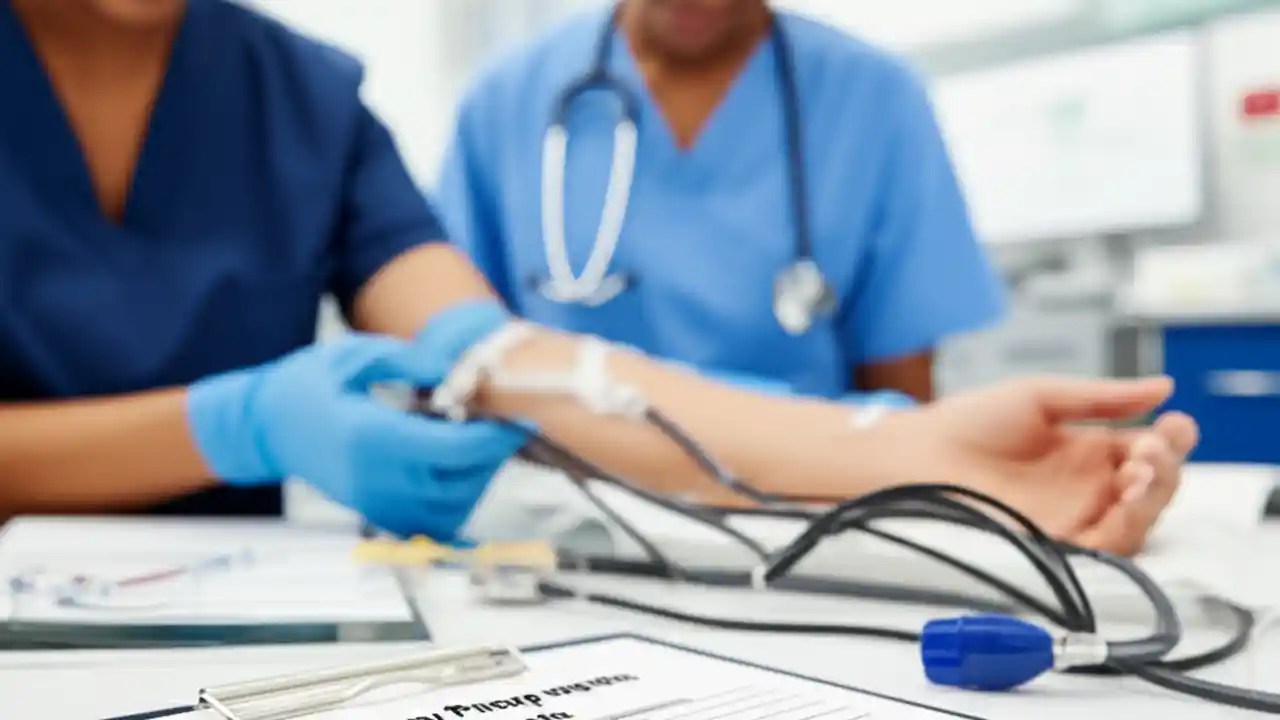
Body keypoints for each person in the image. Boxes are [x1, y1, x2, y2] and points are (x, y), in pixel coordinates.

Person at [0, 0, 1195, 556]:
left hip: (222, 618)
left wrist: (913, 456)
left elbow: (505, 362)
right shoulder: (496, 102)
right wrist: (235, 422)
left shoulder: (309, 100)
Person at [437, 0, 1005, 405]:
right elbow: (454, 353)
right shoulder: (502, 104)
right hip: (559, 500)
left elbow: (902, 395)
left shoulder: (875, 98)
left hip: (805, 501)